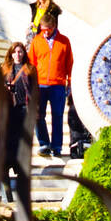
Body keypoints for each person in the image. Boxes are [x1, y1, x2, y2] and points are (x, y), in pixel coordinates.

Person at [28, 10, 72, 159]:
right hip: (39, 86)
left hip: (58, 85)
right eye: (43, 30)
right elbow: (31, 64)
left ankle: (57, 146)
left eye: (48, 30)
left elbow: (69, 64)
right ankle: (44, 143)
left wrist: (69, 83)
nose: (45, 33)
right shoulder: (36, 41)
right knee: (37, 116)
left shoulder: (64, 41)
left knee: (57, 116)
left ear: (54, 27)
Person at [1, 42, 36, 202]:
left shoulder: (30, 68)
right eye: (15, 52)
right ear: (11, 53)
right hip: (8, 112)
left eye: (20, 52)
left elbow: (36, 90)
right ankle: (8, 188)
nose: (18, 54)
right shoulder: (5, 69)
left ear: (24, 53)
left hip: (24, 109)